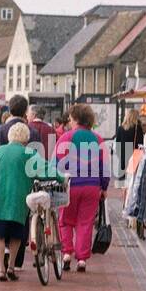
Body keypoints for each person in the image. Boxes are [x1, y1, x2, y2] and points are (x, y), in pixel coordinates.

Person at [55, 102, 109, 273]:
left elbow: (57, 164)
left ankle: (66, 254)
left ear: (76, 119)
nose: (69, 121)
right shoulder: (98, 139)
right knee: (85, 223)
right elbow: (104, 166)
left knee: (65, 221)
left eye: (70, 118)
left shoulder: (66, 138)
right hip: (92, 186)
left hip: (70, 185)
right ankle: (82, 259)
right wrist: (104, 186)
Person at [0, 121, 34, 281]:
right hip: (17, 201)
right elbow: (43, 168)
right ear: (26, 138)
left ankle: (1, 269)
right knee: (15, 235)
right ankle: (12, 266)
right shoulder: (29, 152)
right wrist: (60, 177)